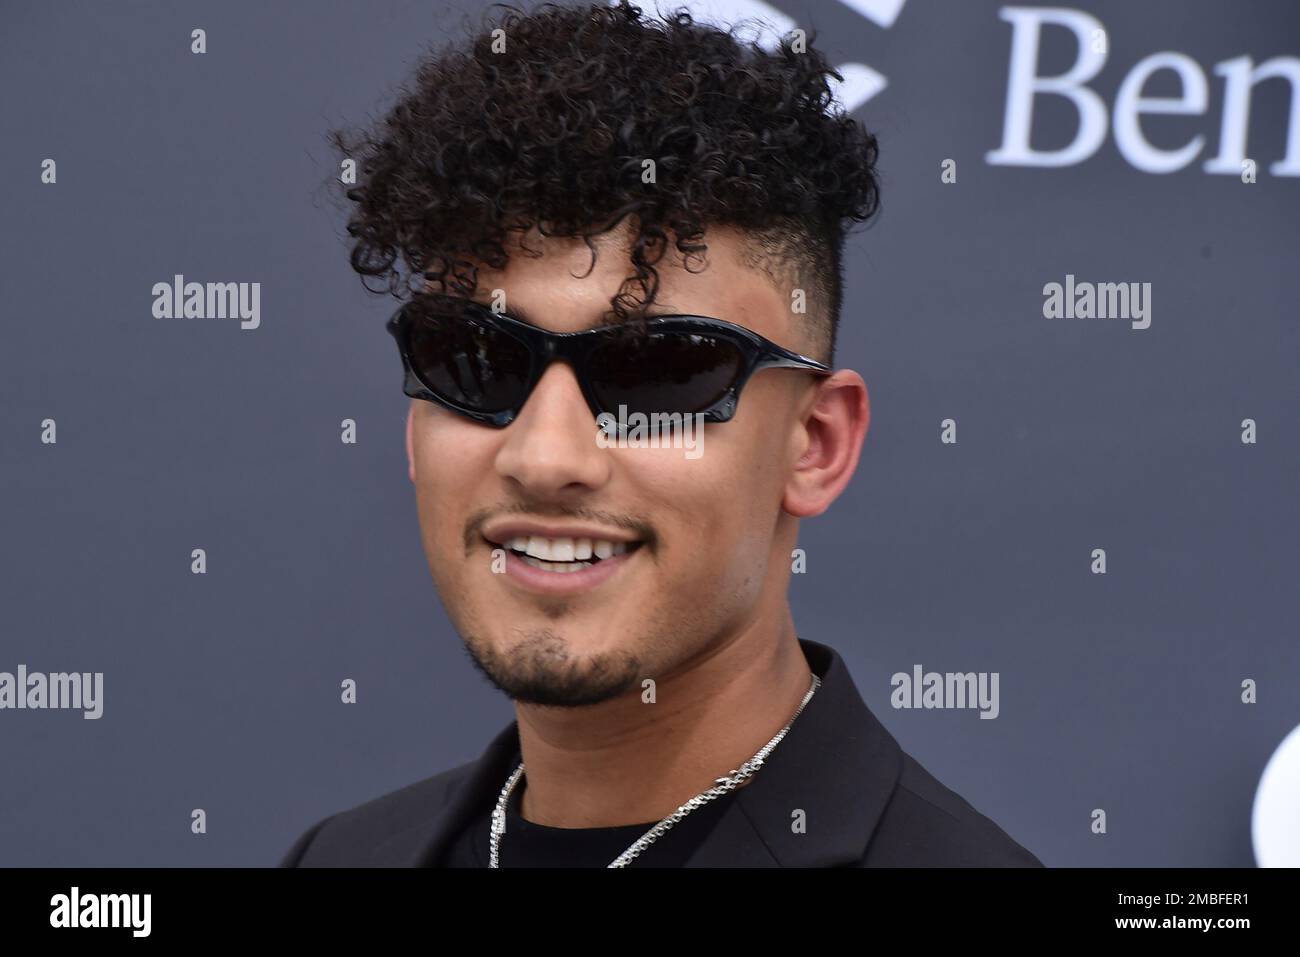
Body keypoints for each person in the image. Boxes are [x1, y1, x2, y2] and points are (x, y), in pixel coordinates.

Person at [282, 0, 1042, 868]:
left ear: (817, 444)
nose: (545, 457)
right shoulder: (341, 855)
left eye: (656, 372)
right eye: (477, 359)